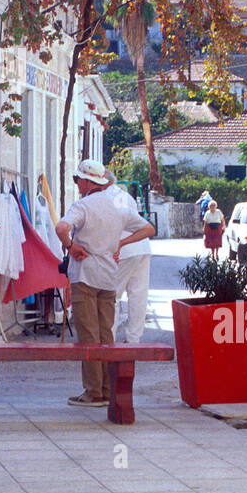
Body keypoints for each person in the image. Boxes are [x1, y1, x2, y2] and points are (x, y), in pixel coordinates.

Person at [56, 159, 155, 408]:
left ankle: (93, 392)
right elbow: (148, 229)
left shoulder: (83, 206)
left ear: (88, 181)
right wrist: (121, 243)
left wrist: (71, 246)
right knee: (105, 334)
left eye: (78, 179)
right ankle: (108, 389)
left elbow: (61, 227)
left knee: (88, 336)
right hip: (108, 277)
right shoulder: (117, 207)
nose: (77, 183)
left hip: (85, 275)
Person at [104, 169, 151, 345]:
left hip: (123, 249)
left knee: (113, 295)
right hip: (142, 246)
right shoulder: (125, 196)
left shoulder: (104, 197)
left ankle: (110, 337)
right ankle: (134, 339)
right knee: (138, 294)